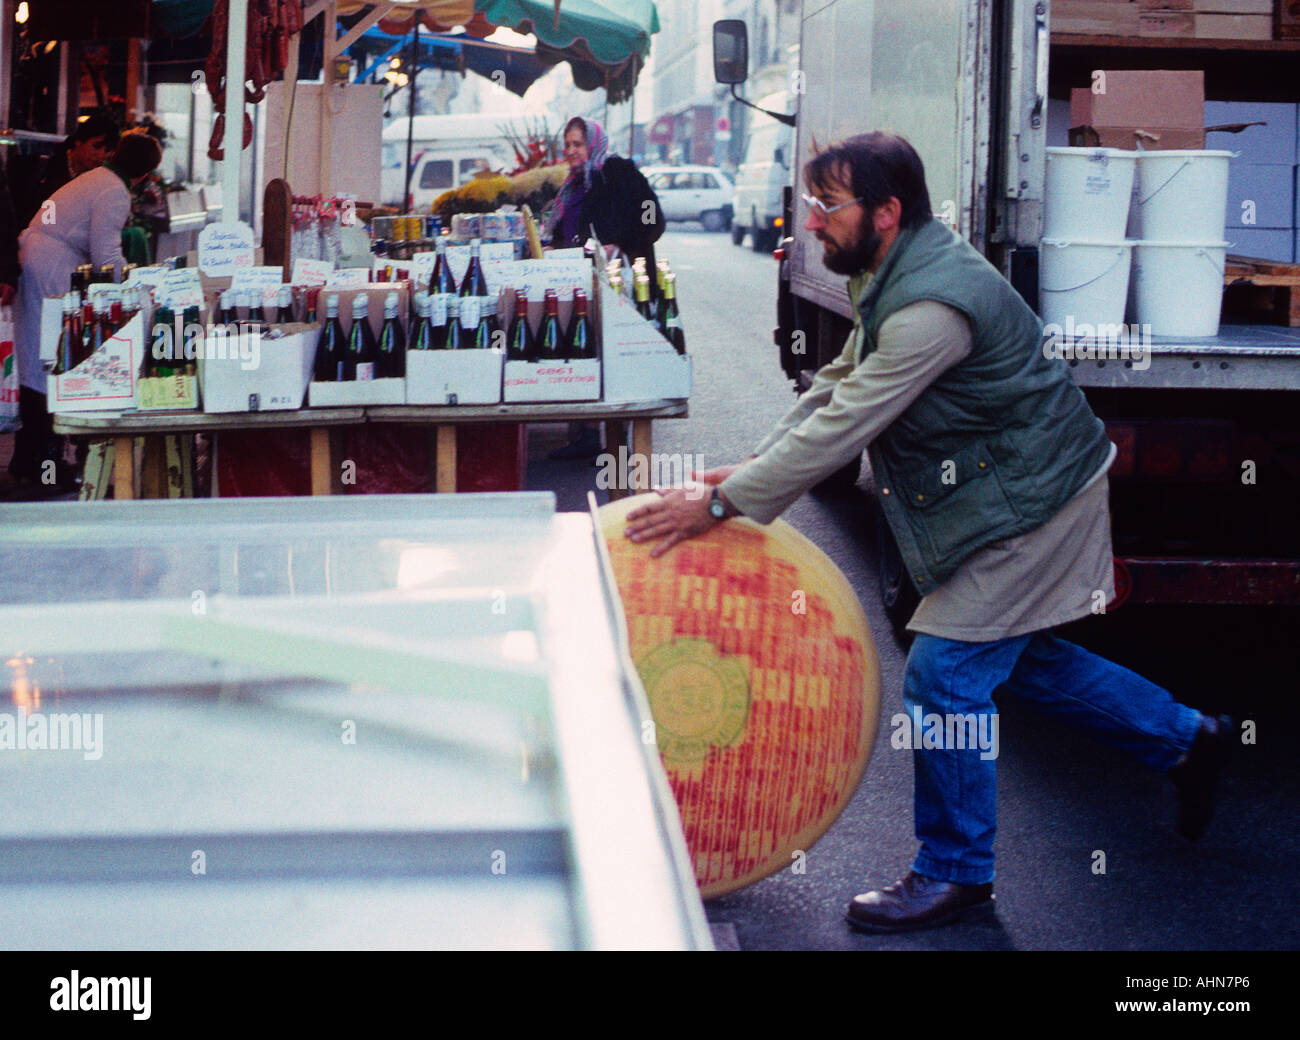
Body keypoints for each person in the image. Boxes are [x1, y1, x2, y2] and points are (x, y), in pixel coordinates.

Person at [622, 132, 1234, 934]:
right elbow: (838, 383)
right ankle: (1191, 740)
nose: (811, 225)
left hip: (1035, 502)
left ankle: (955, 874)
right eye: (812, 205)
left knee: (946, 674)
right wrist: (746, 470)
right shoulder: (897, 267)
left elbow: (849, 422)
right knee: (1023, 659)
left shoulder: (932, 309)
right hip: (1012, 491)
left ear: (887, 211)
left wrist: (720, 506)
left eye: (827, 208)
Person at [10, 131, 162, 489]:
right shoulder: (113, 191)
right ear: (144, 174)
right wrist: (141, 292)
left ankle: (28, 463)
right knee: (49, 363)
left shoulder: (98, 178)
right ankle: (44, 470)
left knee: (38, 362)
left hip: (41, 260)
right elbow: (107, 258)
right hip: (50, 267)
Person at [17, 114, 121, 229]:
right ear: (79, 141)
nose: (100, 155)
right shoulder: (45, 167)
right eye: (96, 146)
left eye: (107, 150)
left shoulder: (100, 181)